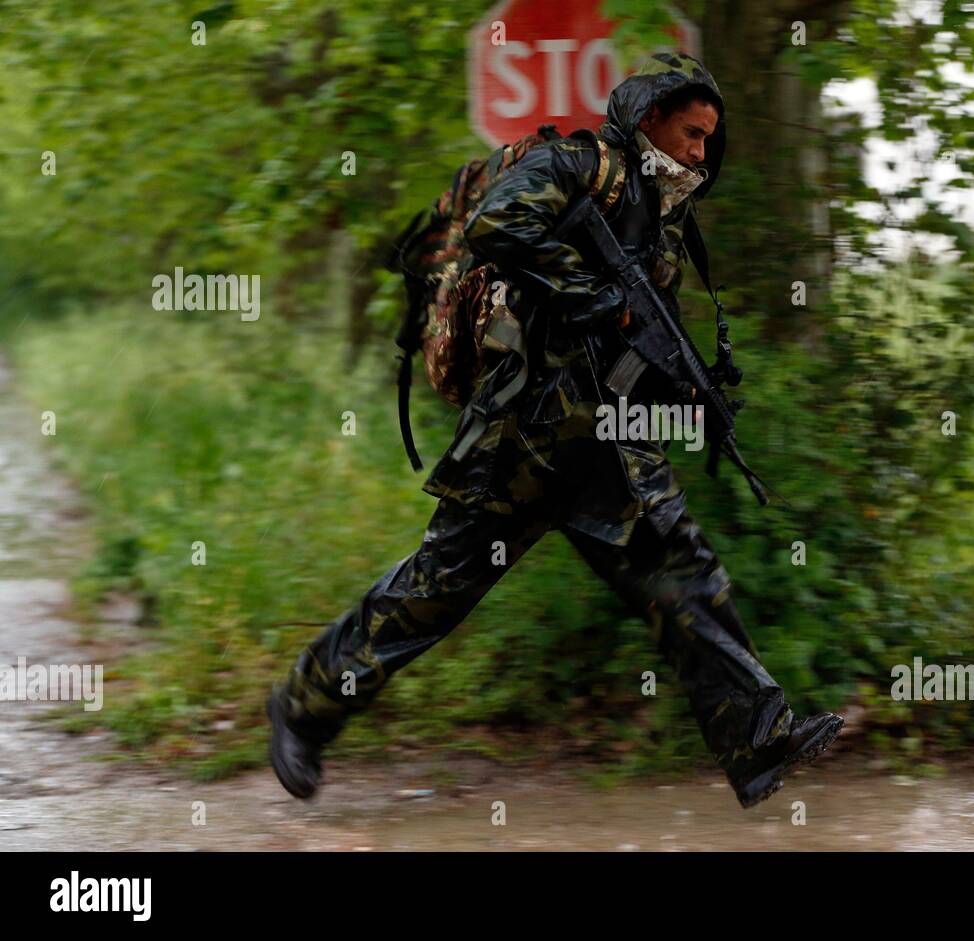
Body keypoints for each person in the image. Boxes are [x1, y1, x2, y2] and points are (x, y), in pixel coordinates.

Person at [267, 52, 843, 810]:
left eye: (711, 139)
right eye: (693, 133)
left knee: (685, 576)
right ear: (649, 116)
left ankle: (757, 737)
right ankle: (303, 705)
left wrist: (685, 393)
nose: (703, 153)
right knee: (435, 588)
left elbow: (641, 332)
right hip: (526, 435)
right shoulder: (581, 164)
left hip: (612, 447)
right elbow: (497, 220)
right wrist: (594, 297)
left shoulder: (667, 218)